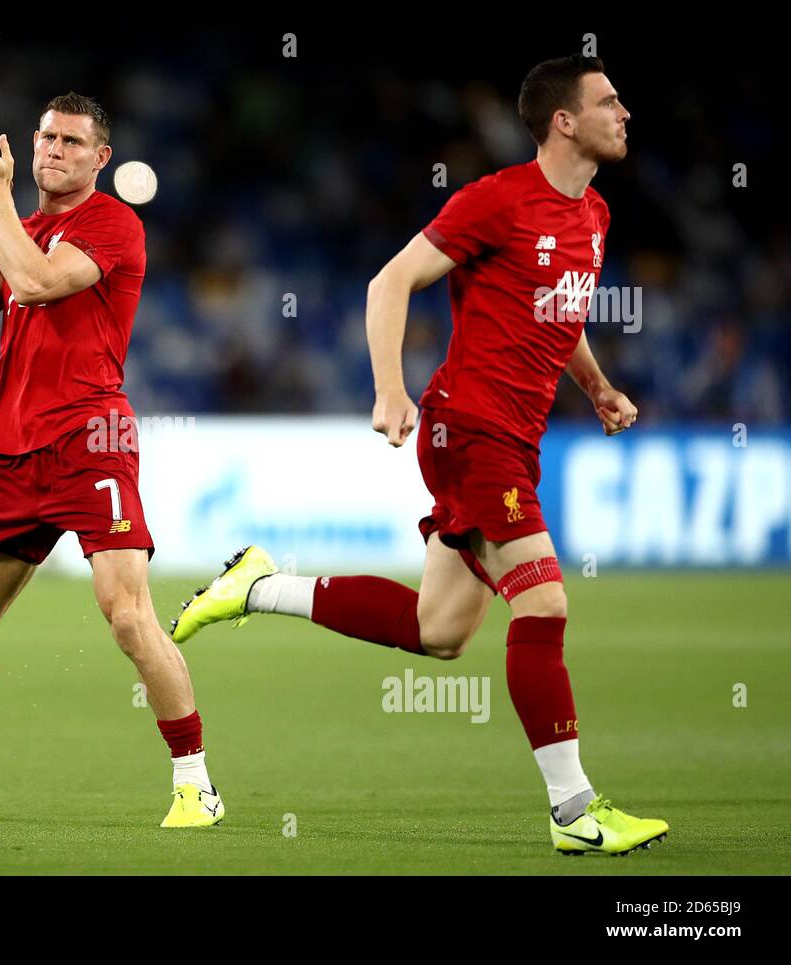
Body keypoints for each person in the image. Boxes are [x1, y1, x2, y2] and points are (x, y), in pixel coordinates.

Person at [171, 57, 667, 854]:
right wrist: (388, 390)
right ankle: (574, 811)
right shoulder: (497, 200)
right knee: (543, 603)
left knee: (437, 630)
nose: (625, 111)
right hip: (469, 427)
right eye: (608, 100)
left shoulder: (596, 215)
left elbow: (559, 312)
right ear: (564, 121)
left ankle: (256, 586)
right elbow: (390, 281)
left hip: (513, 435)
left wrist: (598, 385)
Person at [0, 93, 223, 828]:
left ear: (100, 158)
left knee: (126, 615)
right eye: (46, 137)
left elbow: (34, 282)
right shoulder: (13, 225)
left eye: (72, 141)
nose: (54, 150)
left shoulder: (111, 223)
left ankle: (196, 784)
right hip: (9, 450)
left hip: (92, 441)